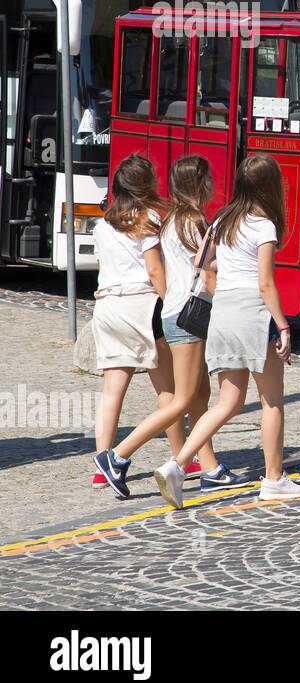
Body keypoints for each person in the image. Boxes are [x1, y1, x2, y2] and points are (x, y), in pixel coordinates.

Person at [154, 154, 300, 509]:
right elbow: (267, 284)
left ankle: (177, 465)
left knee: (228, 401)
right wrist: (284, 326)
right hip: (252, 313)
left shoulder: (223, 218)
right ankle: (274, 480)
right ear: (270, 186)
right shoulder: (263, 225)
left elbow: (201, 262)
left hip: (222, 311)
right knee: (271, 400)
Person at [98, 157, 248, 496]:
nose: (213, 182)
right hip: (187, 316)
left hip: (175, 313)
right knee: (182, 400)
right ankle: (117, 456)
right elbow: (208, 272)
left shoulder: (170, 221)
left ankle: (209, 468)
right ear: (199, 183)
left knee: (199, 396)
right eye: (208, 177)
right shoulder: (193, 221)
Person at [91, 155, 194, 498]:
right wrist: (171, 305)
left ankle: (101, 462)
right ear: (145, 185)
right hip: (141, 306)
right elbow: (154, 271)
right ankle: (183, 458)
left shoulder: (103, 223)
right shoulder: (148, 218)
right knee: (169, 390)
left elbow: (103, 266)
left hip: (107, 306)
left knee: (112, 391)